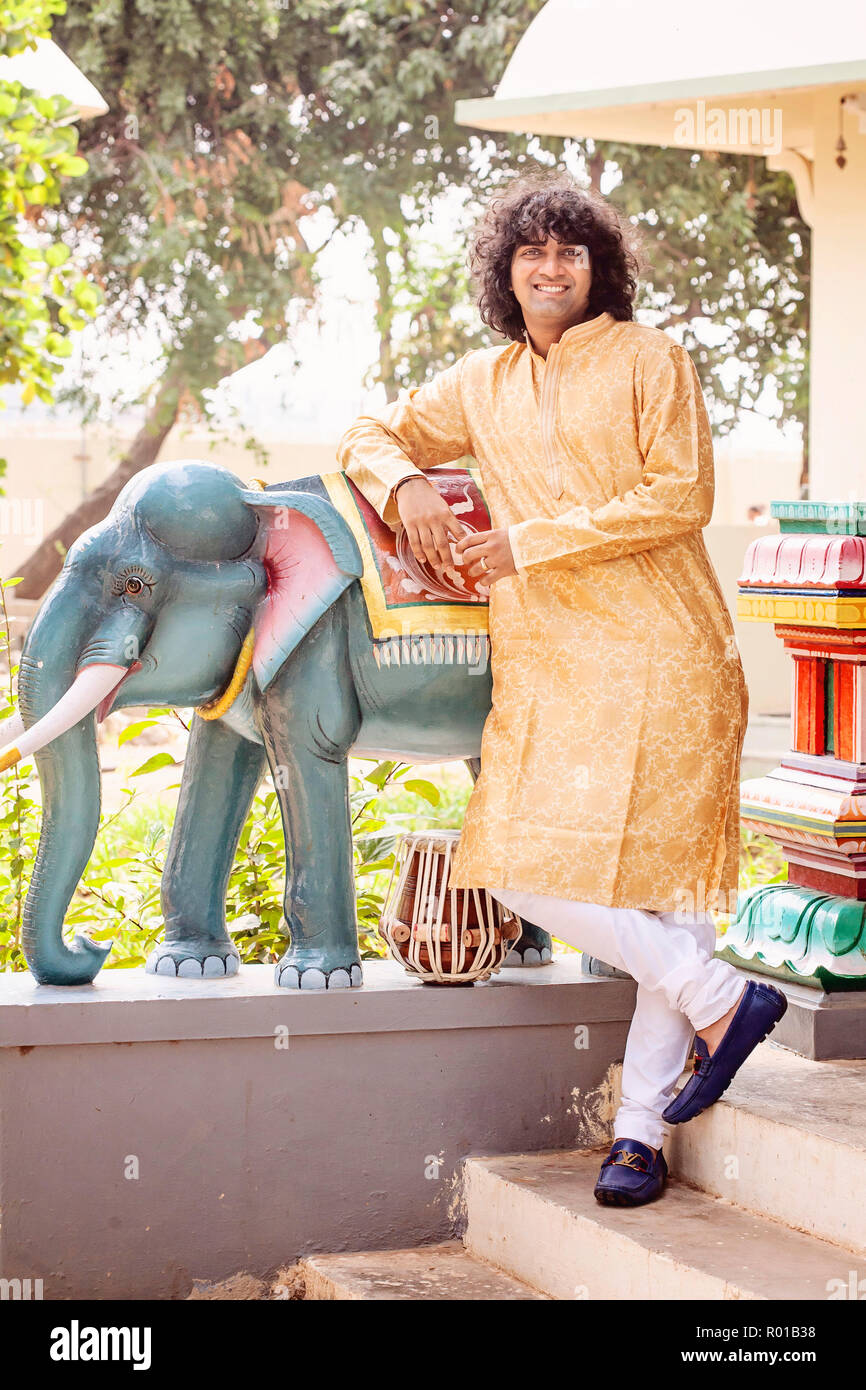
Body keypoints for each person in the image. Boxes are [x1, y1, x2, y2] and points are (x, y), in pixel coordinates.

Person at [336, 171, 786, 1207]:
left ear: (597, 269)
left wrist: (522, 542)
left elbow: (680, 496)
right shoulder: (481, 383)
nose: (549, 267)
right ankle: (718, 999)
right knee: (511, 860)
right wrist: (406, 484)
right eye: (530, 251)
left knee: (664, 891)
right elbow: (367, 430)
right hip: (550, 659)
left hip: (662, 646)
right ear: (504, 269)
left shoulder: (647, 359)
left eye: (569, 252)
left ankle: (636, 1137)